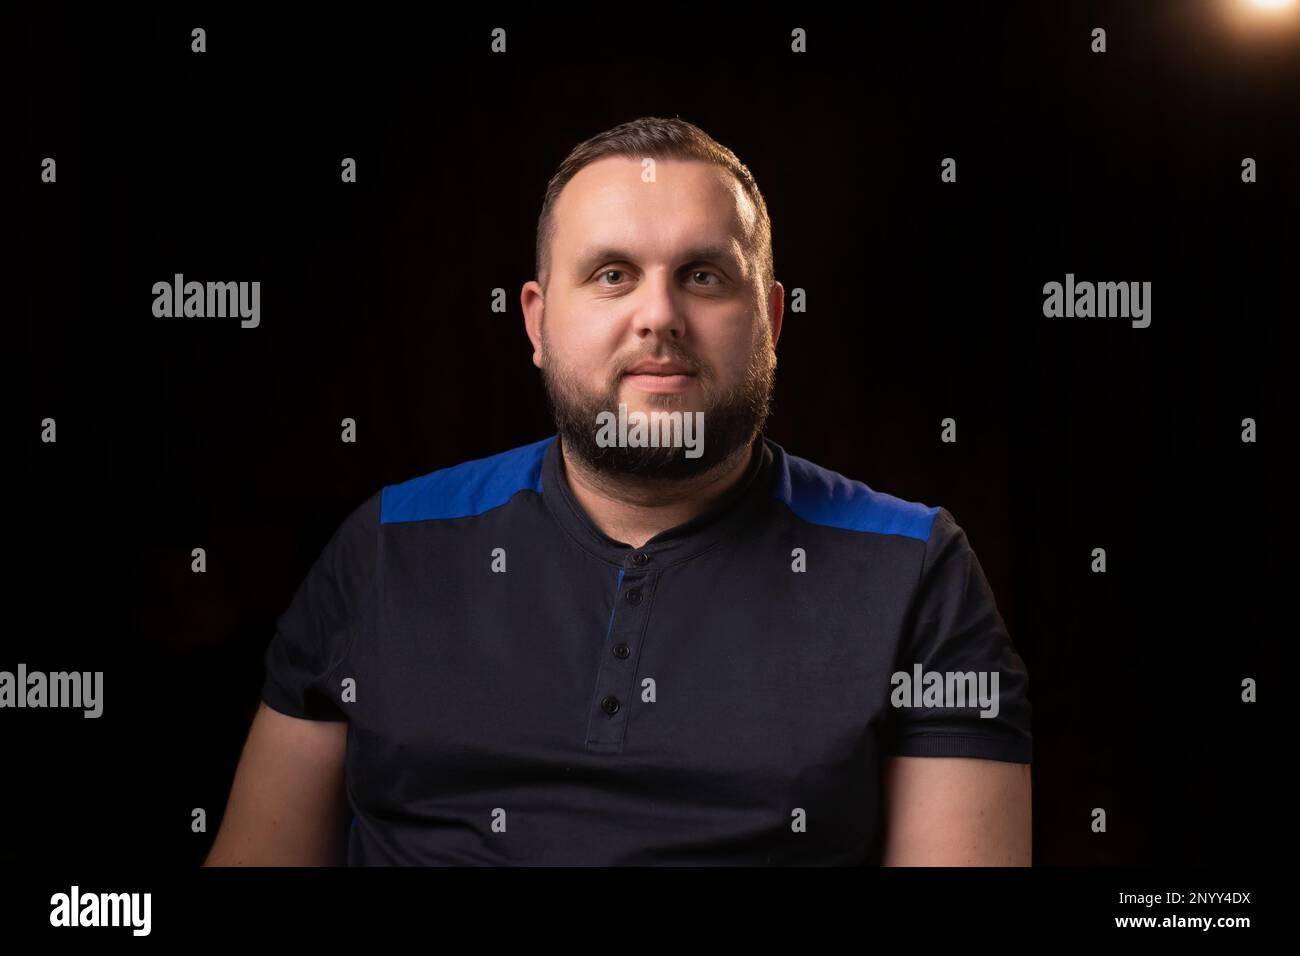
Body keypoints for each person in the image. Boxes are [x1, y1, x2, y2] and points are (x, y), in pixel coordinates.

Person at [204, 116, 1032, 866]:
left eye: (705, 275)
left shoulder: (915, 570)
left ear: (772, 324)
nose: (659, 315)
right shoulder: (385, 544)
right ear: (536, 322)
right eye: (611, 274)